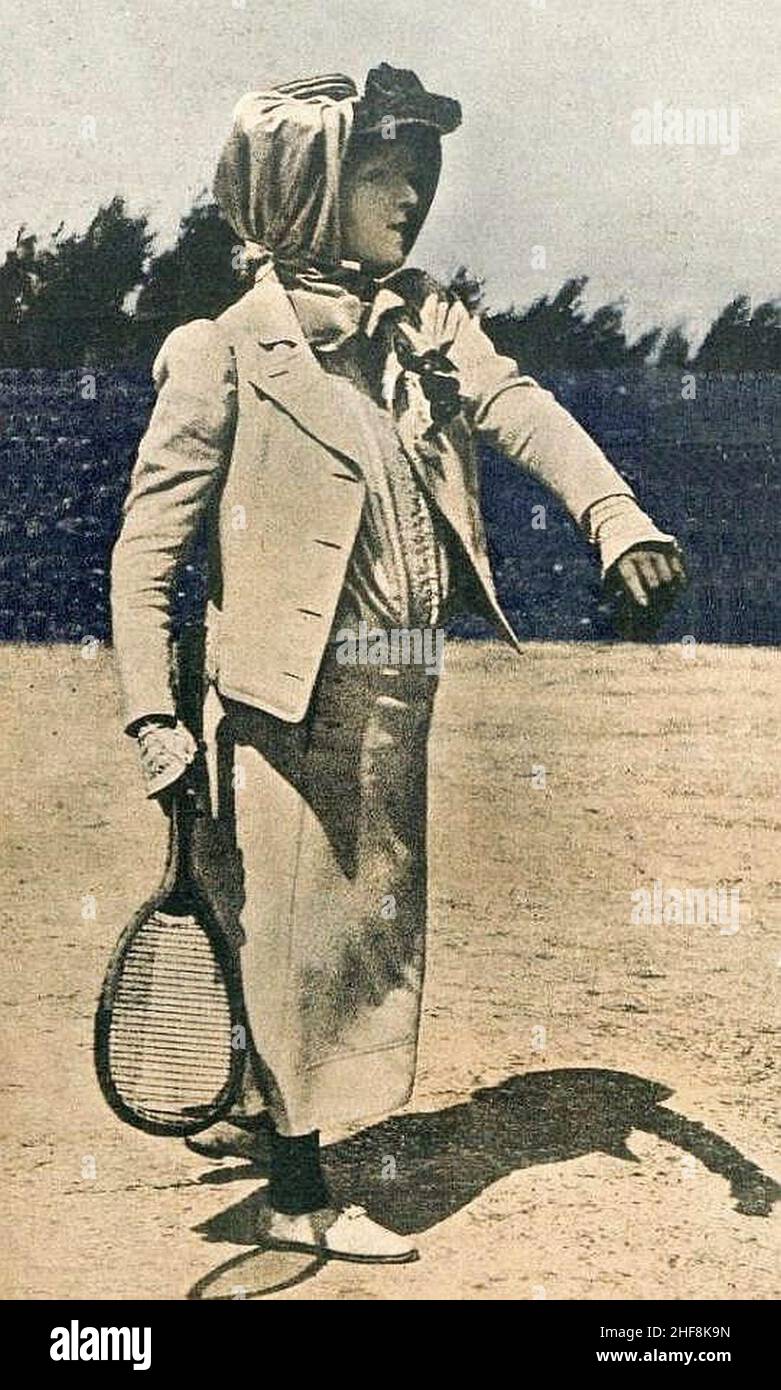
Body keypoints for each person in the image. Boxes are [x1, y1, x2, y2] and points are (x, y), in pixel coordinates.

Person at [110, 64, 686, 1264]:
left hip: (397, 679)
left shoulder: (421, 318)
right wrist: (152, 719)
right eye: (384, 172)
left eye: (421, 174)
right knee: (300, 933)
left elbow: (518, 405)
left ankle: (273, 1113)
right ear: (311, 188)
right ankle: (300, 1190)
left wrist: (615, 514)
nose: (411, 197)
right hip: (281, 697)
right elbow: (145, 556)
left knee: (367, 925)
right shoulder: (222, 351)